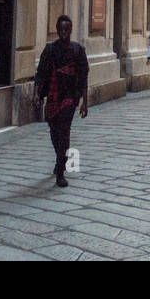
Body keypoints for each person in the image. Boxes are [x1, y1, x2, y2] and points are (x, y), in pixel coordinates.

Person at [33, 15, 90, 187]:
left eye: (67, 29)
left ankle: (60, 171)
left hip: (69, 96)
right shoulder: (50, 49)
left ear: (71, 30)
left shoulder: (78, 50)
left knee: (64, 131)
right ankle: (61, 157)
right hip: (52, 95)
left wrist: (84, 102)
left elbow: (83, 76)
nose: (64, 32)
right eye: (61, 29)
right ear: (57, 30)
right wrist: (36, 94)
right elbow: (41, 73)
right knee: (53, 129)